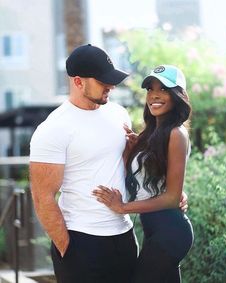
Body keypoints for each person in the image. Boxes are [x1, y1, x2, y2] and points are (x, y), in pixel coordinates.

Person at [29, 44, 188, 283]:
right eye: (103, 81)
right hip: (82, 241)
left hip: (124, 237)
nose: (111, 86)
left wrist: (170, 192)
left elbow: (131, 166)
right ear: (78, 82)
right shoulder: (53, 129)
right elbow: (42, 197)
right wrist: (67, 248)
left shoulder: (117, 113)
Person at [93, 65, 194, 283]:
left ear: (179, 95)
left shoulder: (177, 133)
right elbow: (147, 183)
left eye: (164, 89)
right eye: (150, 88)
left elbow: (172, 198)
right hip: (155, 231)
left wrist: (122, 208)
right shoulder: (151, 134)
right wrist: (132, 151)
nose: (154, 95)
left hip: (171, 232)